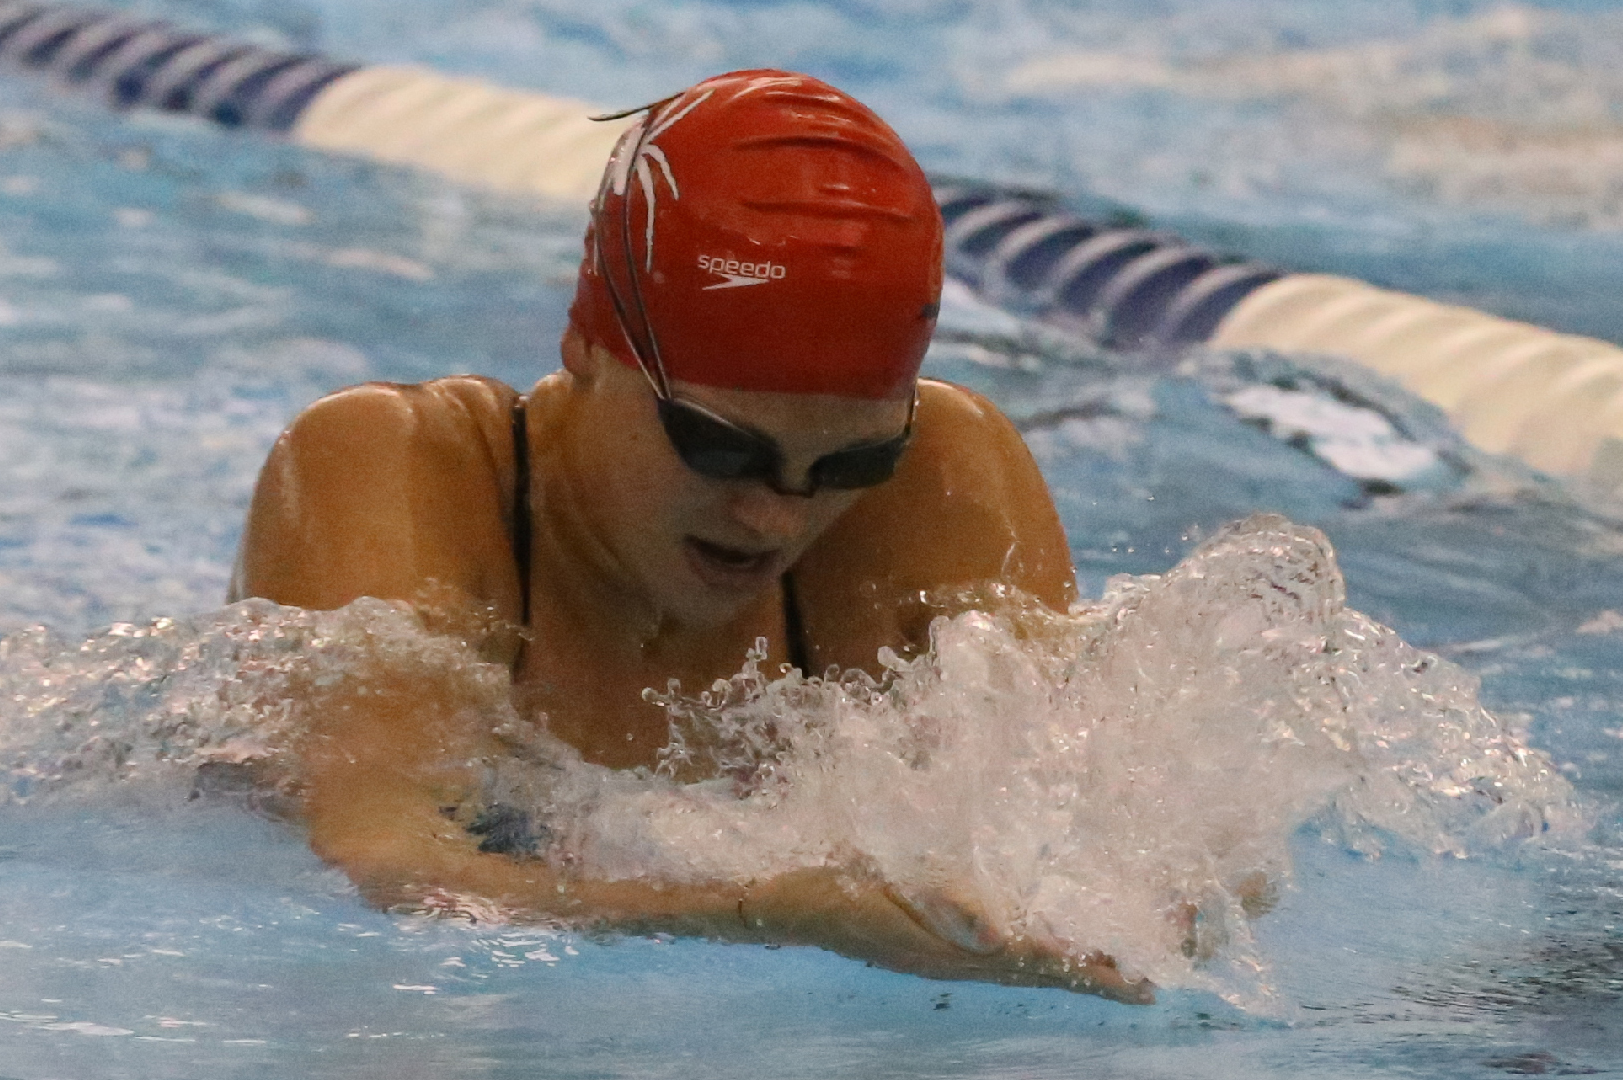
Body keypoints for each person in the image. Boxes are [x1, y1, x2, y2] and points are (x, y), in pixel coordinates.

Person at [230, 69, 1143, 1001]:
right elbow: (384, 865)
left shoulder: (940, 478)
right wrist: (770, 915)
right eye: (719, 446)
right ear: (587, 345)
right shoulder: (405, 471)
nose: (778, 517)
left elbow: (1099, 831)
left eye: (848, 466)